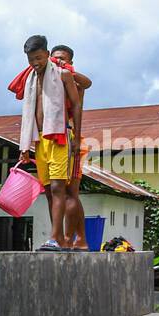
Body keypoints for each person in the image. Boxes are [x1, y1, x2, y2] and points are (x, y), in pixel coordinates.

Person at [12, 35, 82, 251]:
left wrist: (77, 137)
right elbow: (30, 112)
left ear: (47, 53)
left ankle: (53, 238)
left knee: (59, 187)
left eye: (39, 58)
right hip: (39, 140)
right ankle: (58, 239)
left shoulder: (62, 74)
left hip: (60, 135)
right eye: (31, 59)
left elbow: (77, 104)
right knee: (49, 191)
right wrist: (25, 146)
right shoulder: (30, 78)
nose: (35, 63)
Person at [50, 44, 93, 250]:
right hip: (53, 140)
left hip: (71, 138)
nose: (59, 62)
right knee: (61, 193)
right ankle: (80, 239)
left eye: (64, 59)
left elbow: (88, 82)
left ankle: (69, 238)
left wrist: (65, 68)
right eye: (56, 58)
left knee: (70, 193)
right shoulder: (46, 80)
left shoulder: (74, 81)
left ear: (71, 63)